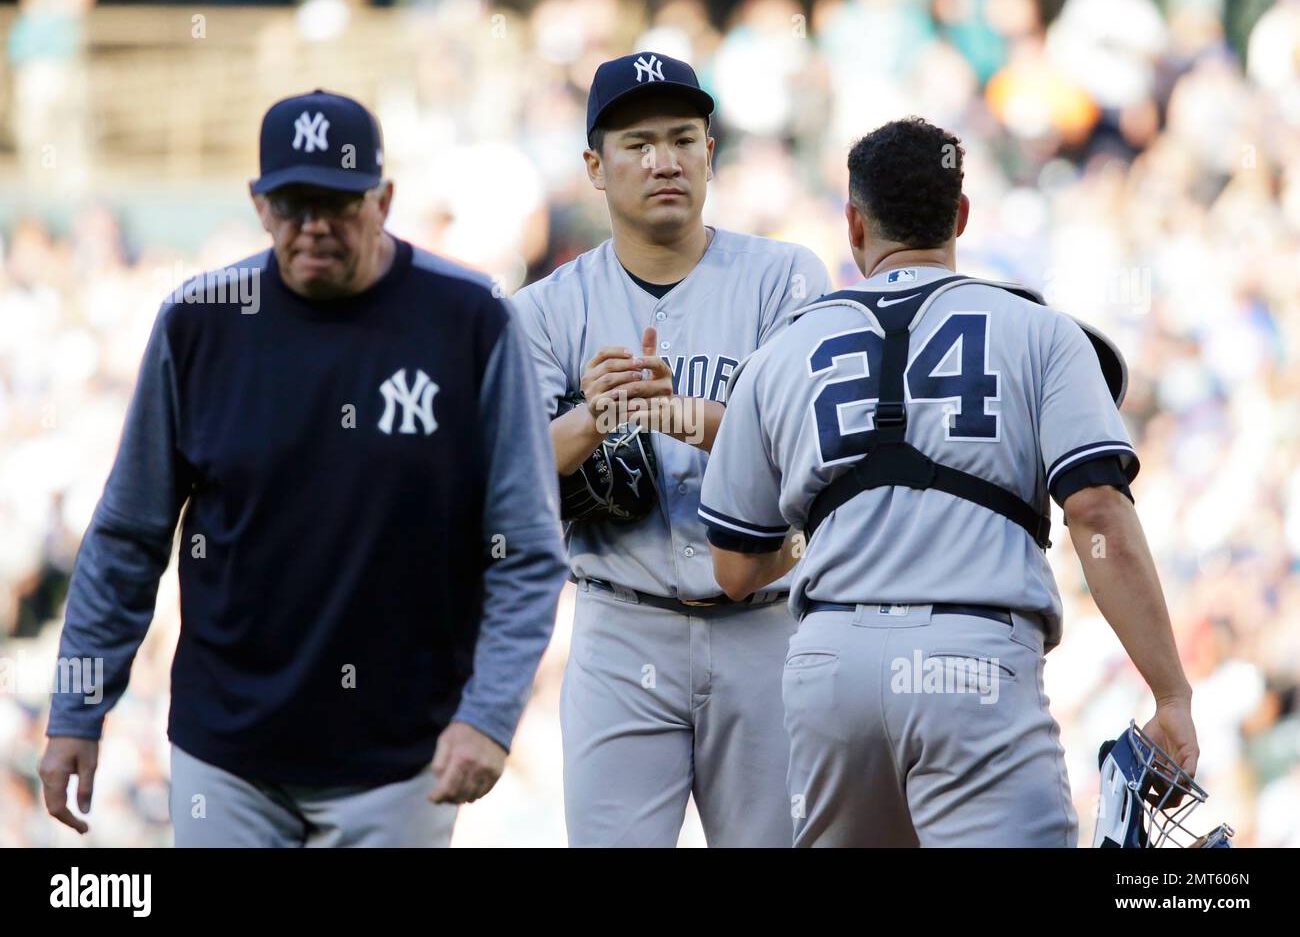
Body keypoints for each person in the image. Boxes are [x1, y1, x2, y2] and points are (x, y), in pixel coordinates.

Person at [38, 89, 568, 847]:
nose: (314, 225)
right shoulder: (199, 321)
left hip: (400, 758)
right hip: (225, 754)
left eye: (338, 203)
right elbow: (127, 536)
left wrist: (489, 713)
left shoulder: (471, 320)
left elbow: (524, 544)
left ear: (383, 200)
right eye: (292, 204)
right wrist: (75, 709)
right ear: (259, 204)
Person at [699, 116, 1199, 847]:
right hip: (970, 663)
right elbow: (1096, 513)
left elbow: (736, 568)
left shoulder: (782, 349)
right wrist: (1171, 693)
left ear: (853, 223)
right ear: (959, 214)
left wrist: (836, 540)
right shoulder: (1040, 330)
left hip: (831, 669)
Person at [512, 52, 831, 846]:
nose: (665, 161)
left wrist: (683, 414)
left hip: (766, 617)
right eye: (639, 143)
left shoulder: (786, 277)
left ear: (711, 153)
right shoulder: (545, 310)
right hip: (622, 624)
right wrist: (596, 417)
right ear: (595, 164)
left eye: (685, 139)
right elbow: (507, 473)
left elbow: (812, 446)